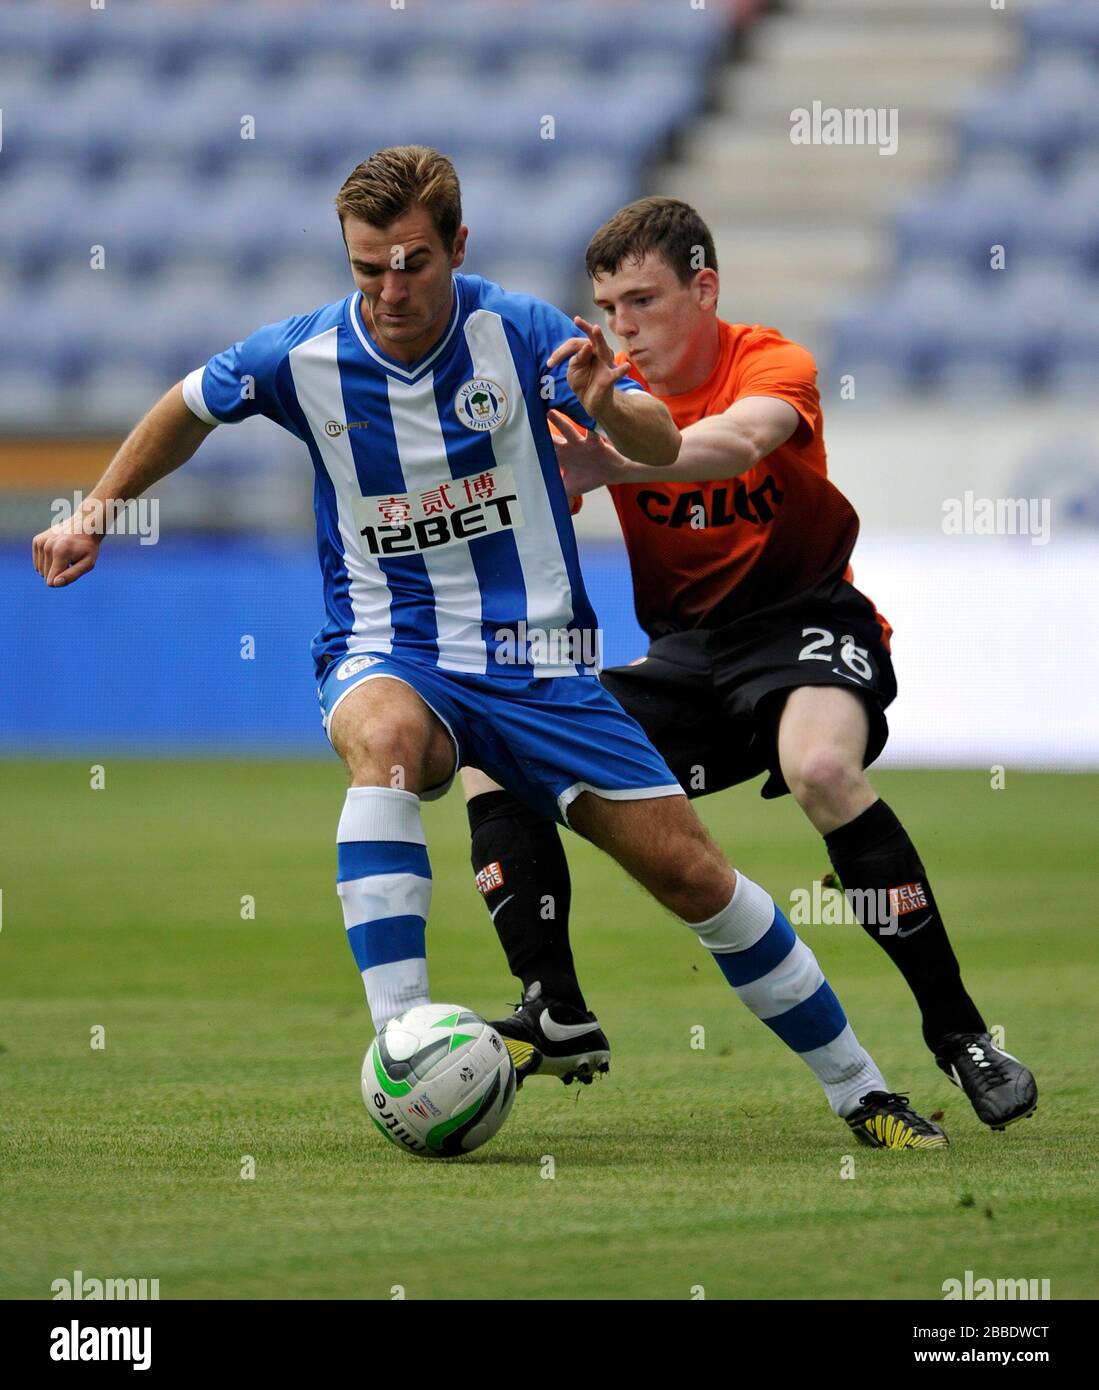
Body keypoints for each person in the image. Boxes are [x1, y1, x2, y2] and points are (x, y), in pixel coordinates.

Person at [31, 147, 946, 1149]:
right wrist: (98, 512)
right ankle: (402, 1044)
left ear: (456, 247)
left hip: (542, 668)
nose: (391, 288)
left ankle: (861, 1091)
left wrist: (604, 399)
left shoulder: (522, 332)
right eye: (368, 266)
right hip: (393, 645)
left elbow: (651, 440)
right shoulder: (299, 357)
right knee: (381, 738)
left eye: (414, 262)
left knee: (696, 879)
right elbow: (186, 405)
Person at [463, 196, 1037, 1133]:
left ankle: (960, 1035)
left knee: (819, 768)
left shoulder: (771, 363)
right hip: (688, 656)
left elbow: (732, 443)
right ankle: (554, 1009)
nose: (623, 327)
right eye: (608, 309)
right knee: (496, 756)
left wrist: (610, 459)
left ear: (704, 288)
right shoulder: (595, 390)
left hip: (804, 622)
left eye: (643, 300)